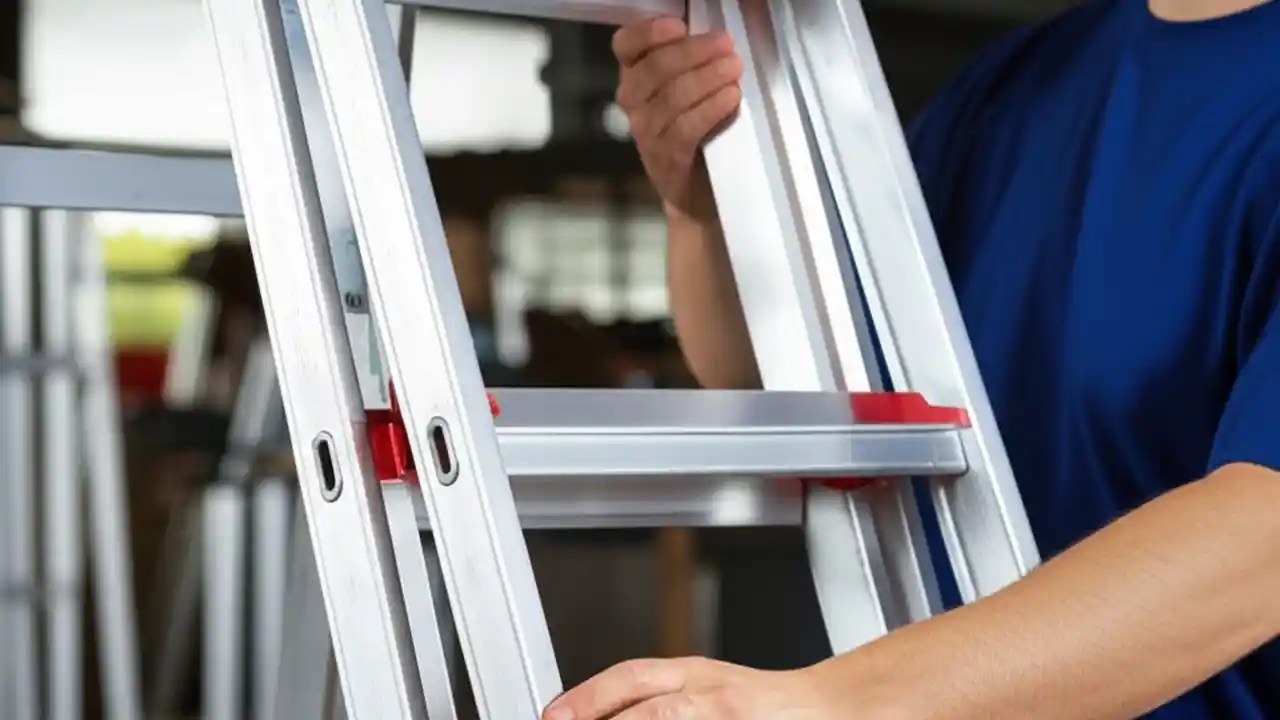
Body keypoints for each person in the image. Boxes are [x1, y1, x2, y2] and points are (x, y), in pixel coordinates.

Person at [541, 0, 1280, 717]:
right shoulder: (1012, 87)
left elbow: (1265, 531)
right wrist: (705, 203)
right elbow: (776, 367)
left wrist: (837, 701)